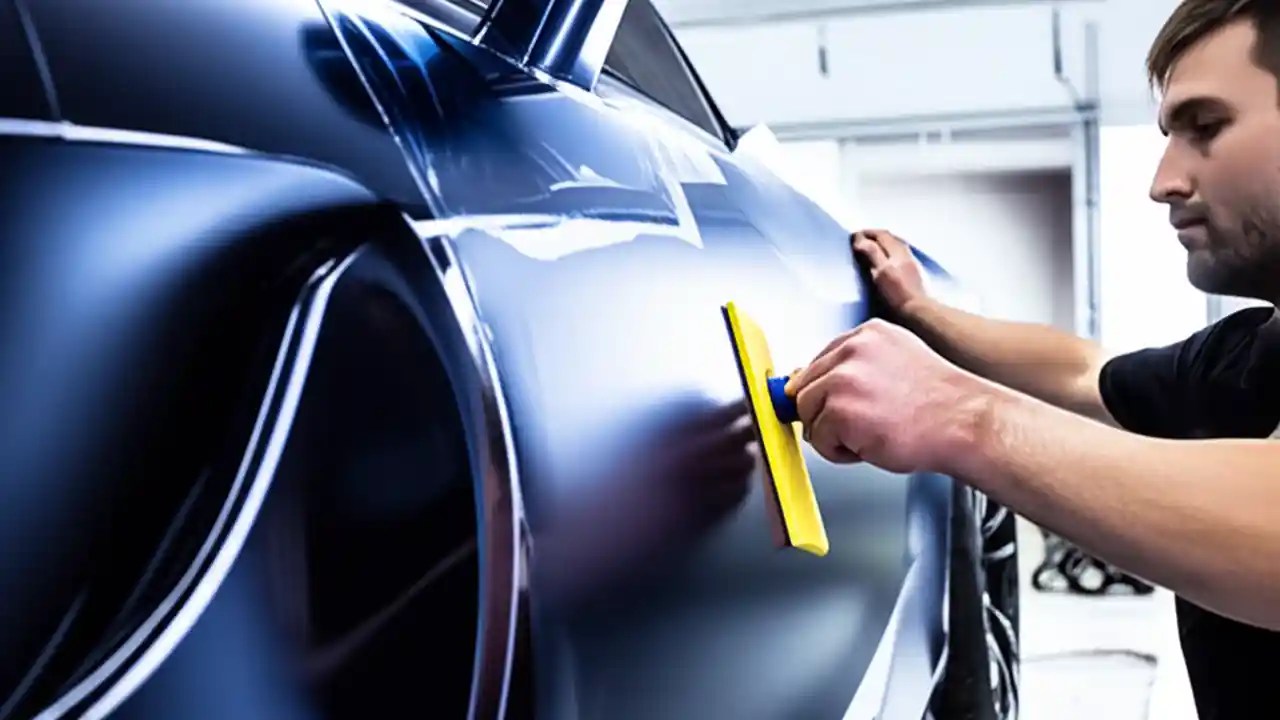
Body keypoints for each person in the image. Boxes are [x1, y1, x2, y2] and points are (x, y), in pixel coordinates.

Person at [785, 1, 1280, 717]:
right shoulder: (1246, 357)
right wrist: (925, 314)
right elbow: (1082, 372)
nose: (1163, 181)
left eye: (1206, 127)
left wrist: (959, 416)